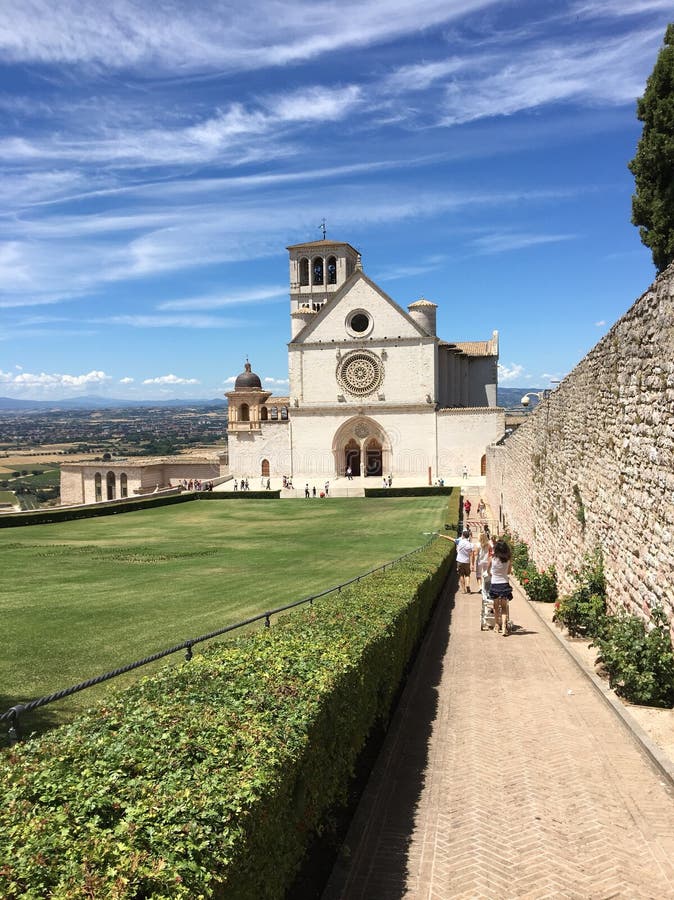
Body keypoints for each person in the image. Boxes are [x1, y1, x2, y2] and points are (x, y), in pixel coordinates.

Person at [488, 539, 513, 635]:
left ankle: (497, 625)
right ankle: (504, 627)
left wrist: (493, 574)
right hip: (504, 585)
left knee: (495, 606)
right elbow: (508, 572)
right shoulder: (508, 561)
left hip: (495, 584)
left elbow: (488, 571)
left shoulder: (492, 559)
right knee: (504, 607)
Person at [440, 529, 474, 594]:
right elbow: (472, 554)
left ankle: (464, 590)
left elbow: (450, 539)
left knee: (461, 575)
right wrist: (472, 564)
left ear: (463, 536)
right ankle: (467, 585)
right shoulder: (470, 544)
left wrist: (442, 536)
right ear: (468, 536)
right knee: (467, 575)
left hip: (459, 561)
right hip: (467, 561)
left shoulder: (459, 541)